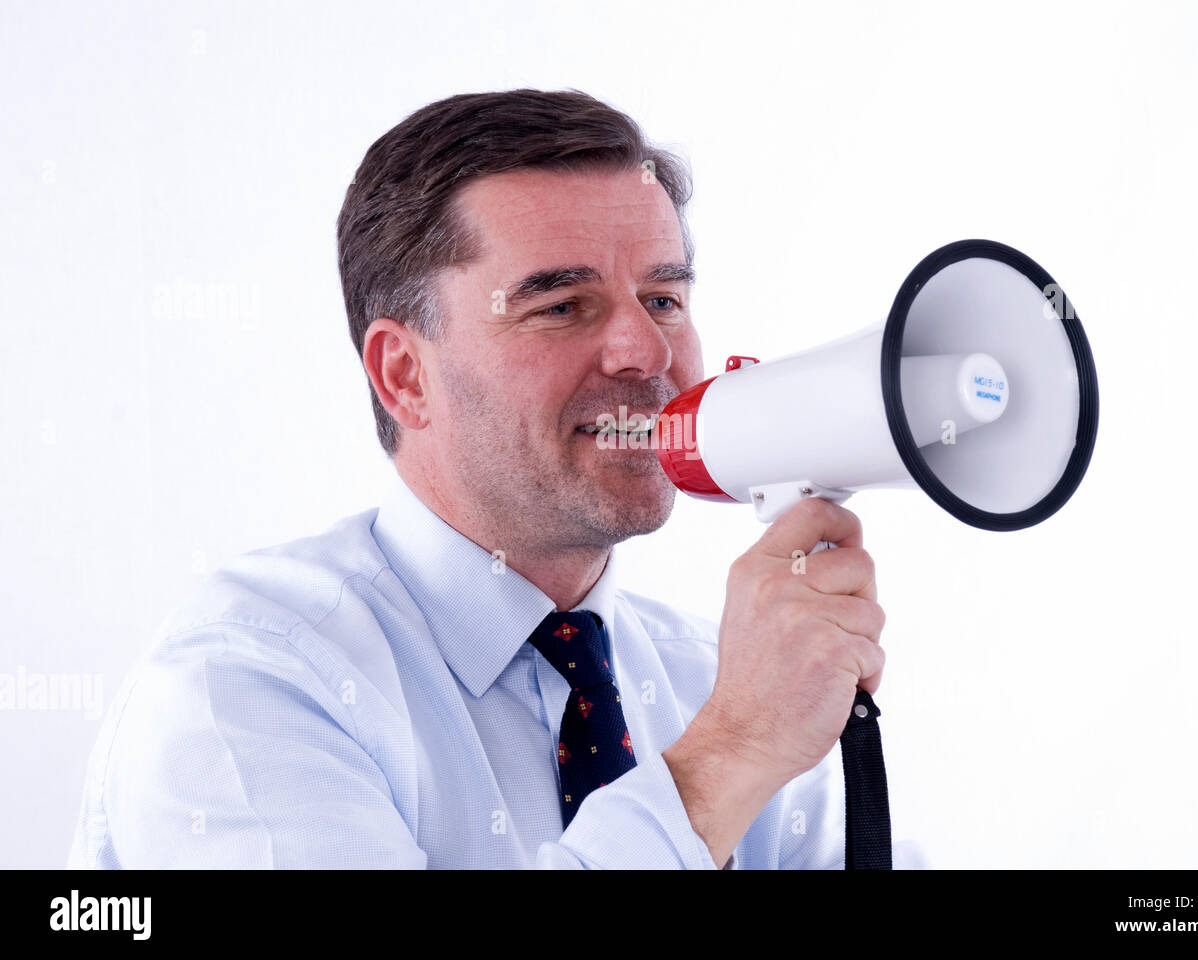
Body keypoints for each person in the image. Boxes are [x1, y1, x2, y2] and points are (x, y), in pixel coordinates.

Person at [67, 89, 887, 869]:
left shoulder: (719, 676)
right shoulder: (248, 683)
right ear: (405, 376)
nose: (647, 352)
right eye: (561, 305)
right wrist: (728, 758)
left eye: (664, 298)